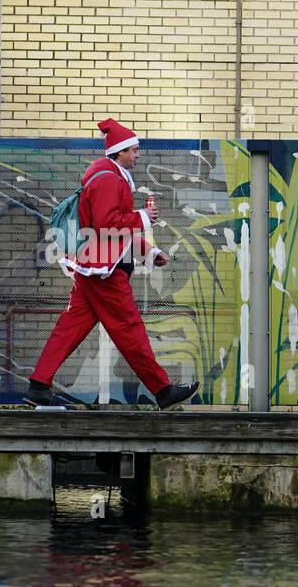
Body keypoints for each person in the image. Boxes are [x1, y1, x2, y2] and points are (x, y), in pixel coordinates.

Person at [26, 117, 199, 409]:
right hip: (106, 273)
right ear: (119, 152)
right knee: (129, 329)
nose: (137, 154)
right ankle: (162, 391)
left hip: (93, 267)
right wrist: (142, 219)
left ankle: (39, 385)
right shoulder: (109, 179)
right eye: (133, 150)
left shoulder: (107, 175)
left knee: (69, 328)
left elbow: (109, 231)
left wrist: (148, 252)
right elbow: (107, 224)